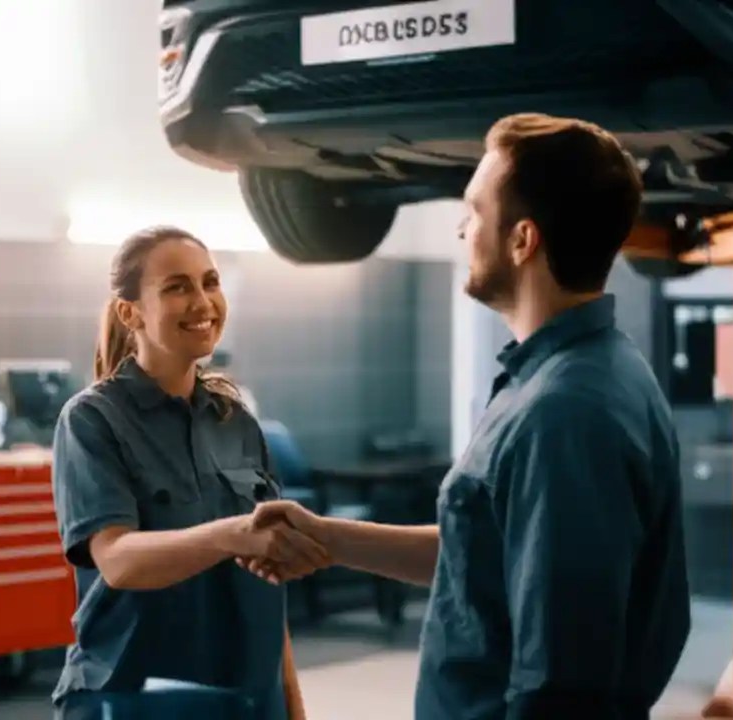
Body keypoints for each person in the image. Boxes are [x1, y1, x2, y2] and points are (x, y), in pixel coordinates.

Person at [244, 113, 692, 719]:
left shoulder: (563, 415)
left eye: (475, 211)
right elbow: (487, 555)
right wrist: (329, 537)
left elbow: (559, 680)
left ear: (523, 240)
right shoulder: (576, 373)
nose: (462, 229)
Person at [50, 226, 329, 720]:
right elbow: (118, 561)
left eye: (210, 282)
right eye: (177, 287)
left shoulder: (235, 420)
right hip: (134, 700)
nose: (202, 302)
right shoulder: (93, 419)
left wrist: (291, 703)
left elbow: (268, 583)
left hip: (249, 699)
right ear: (130, 312)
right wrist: (230, 535)